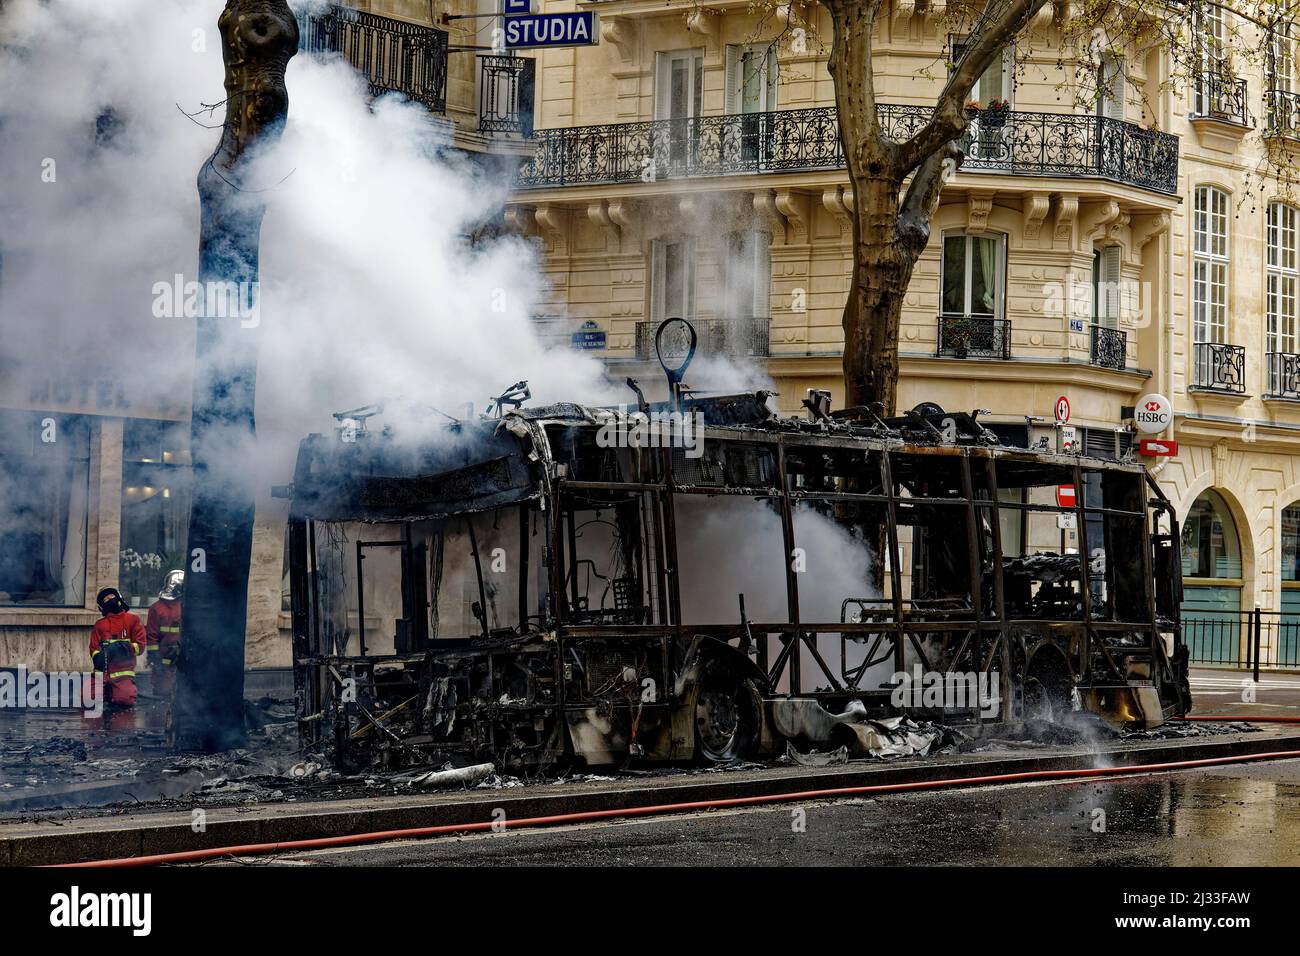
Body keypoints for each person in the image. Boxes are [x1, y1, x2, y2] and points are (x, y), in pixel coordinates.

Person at [90, 587, 144, 709]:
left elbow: (140, 647)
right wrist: (99, 657)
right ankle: (106, 693)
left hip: (122, 674)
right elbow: (93, 649)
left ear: (119, 598)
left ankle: (117, 692)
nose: (109, 600)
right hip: (102, 673)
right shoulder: (100, 625)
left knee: (124, 700)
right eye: (106, 599)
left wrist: (120, 647)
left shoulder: (133, 620)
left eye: (111, 597)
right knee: (89, 700)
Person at [146, 570, 184, 697]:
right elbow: (151, 636)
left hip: (182, 655)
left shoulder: (185, 606)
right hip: (163, 657)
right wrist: (155, 658)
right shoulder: (156, 608)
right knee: (163, 692)